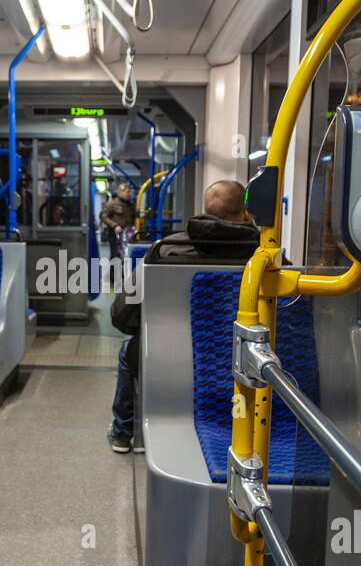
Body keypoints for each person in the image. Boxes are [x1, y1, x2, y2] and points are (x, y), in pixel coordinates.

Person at [107, 179, 260, 452]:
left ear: (204, 210)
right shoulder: (264, 256)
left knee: (129, 351)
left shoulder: (166, 251)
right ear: (246, 213)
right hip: (245, 354)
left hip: (169, 349)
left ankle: (122, 432)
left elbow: (122, 312)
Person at [99, 181, 136, 262]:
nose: (129, 194)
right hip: (115, 235)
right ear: (120, 192)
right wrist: (115, 225)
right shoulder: (112, 204)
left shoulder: (130, 205)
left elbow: (134, 218)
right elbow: (103, 217)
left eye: (130, 192)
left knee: (126, 256)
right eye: (127, 192)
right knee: (115, 256)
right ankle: (113, 274)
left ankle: (124, 274)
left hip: (128, 235)